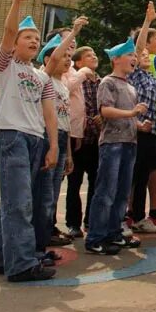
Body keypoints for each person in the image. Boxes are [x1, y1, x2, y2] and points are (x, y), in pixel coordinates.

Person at [0, 0, 59, 282]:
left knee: (13, 201)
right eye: (28, 37)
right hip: (12, 136)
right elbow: (8, 31)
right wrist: (17, 2)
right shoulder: (6, 65)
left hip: (35, 139)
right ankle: (22, 264)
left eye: (37, 38)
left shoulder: (41, 76)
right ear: (14, 44)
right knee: (19, 203)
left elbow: (49, 112)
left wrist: (53, 146)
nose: (34, 41)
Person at [84, 38, 147, 255]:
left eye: (134, 55)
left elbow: (127, 116)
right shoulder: (108, 83)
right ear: (116, 59)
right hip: (112, 143)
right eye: (130, 55)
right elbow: (106, 111)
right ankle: (95, 238)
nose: (134, 58)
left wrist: (139, 124)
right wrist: (132, 113)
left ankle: (114, 233)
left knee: (121, 193)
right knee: (106, 192)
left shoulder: (130, 86)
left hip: (129, 142)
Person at [37, 19, 87, 251]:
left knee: (54, 189)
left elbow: (65, 121)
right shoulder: (44, 79)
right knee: (45, 191)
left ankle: (49, 229)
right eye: (63, 56)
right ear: (49, 59)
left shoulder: (63, 86)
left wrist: (67, 153)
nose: (68, 60)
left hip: (62, 138)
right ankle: (42, 235)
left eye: (70, 57)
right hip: (48, 138)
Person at [127, 3, 156, 233]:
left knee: (143, 174)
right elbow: (138, 48)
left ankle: (138, 217)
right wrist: (147, 22)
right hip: (137, 130)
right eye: (141, 55)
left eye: (146, 55)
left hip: (152, 132)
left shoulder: (154, 80)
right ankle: (127, 215)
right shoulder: (135, 75)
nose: (144, 56)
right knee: (133, 175)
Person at [66, 47, 100, 238]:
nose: (93, 57)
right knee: (74, 183)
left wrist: (103, 115)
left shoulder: (102, 82)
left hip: (97, 141)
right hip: (79, 140)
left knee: (96, 183)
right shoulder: (75, 80)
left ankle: (91, 220)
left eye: (94, 54)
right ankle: (73, 223)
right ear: (78, 63)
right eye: (88, 55)